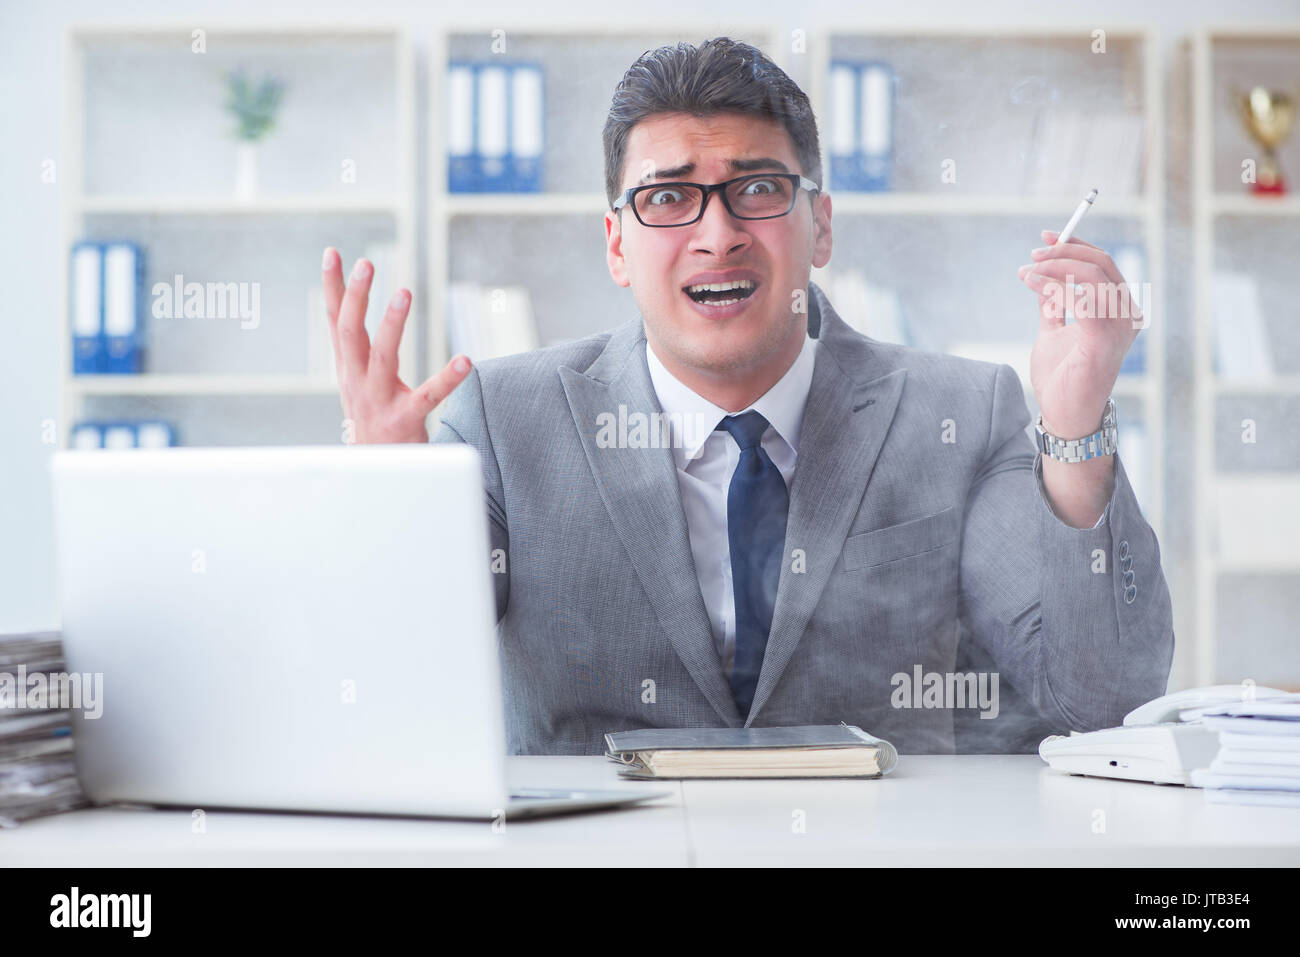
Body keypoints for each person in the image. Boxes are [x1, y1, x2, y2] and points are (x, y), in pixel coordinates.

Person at [319, 37, 1173, 755]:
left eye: (759, 190)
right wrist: (387, 499)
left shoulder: (964, 409)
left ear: (822, 225)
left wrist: (1074, 424)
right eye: (668, 197)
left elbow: (1093, 701)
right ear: (616, 245)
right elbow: (387, 693)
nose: (717, 233)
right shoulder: (504, 423)